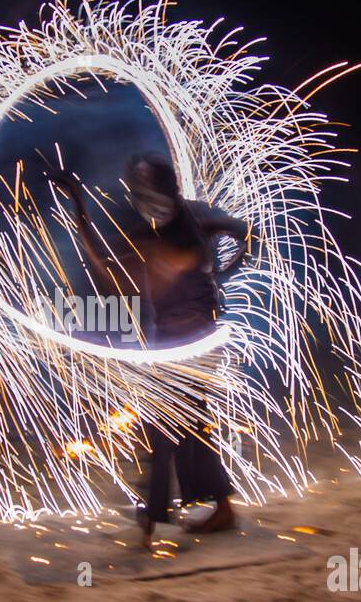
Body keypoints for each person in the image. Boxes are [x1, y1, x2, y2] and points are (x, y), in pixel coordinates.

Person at [56, 153, 249, 546]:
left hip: (190, 347)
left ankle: (151, 523)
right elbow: (111, 268)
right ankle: (220, 509)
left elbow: (237, 232)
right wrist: (78, 209)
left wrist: (221, 270)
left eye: (144, 190)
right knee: (189, 428)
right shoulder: (163, 228)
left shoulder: (181, 229)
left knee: (163, 429)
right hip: (178, 343)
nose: (139, 198)